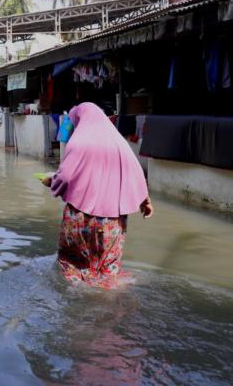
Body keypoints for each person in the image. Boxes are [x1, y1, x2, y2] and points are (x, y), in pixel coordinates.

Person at [41, 102, 153, 288]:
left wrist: (51, 181)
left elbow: (66, 177)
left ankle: (78, 309)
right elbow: (136, 173)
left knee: (74, 266)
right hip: (113, 221)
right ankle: (111, 302)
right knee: (108, 269)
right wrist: (145, 201)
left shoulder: (79, 141)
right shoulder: (120, 143)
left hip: (80, 218)